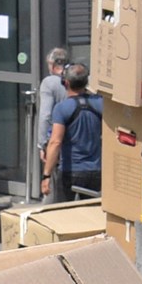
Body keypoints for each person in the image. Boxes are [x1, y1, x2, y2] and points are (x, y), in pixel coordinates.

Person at [41, 64, 104, 203]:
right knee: (90, 215)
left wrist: (46, 176)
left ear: (66, 82)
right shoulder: (100, 103)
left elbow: (55, 142)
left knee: (63, 214)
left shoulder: (62, 108)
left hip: (71, 171)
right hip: (96, 171)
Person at [32, 46, 69, 200]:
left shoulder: (49, 83)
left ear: (53, 65)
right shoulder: (78, 79)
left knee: (51, 185)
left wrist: (42, 144)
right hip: (76, 141)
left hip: (55, 138)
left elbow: (45, 115)